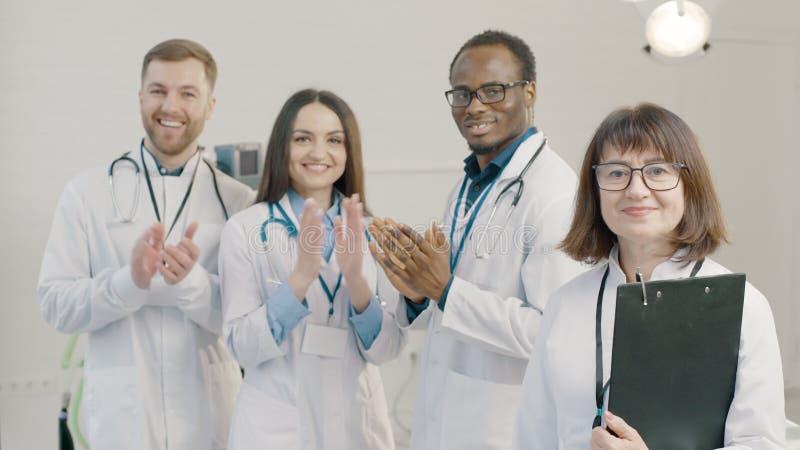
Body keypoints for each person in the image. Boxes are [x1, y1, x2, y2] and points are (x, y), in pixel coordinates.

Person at [512, 103, 786, 449]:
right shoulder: (565, 305)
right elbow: (533, 439)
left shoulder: (743, 305)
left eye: (657, 170)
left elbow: (760, 444)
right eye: (615, 173)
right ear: (594, 190)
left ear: (690, 184)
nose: (636, 190)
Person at [368, 30, 585, 449]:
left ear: (530, 93)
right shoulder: (469, 186)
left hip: (505, 430)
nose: (475, 107)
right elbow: (452, 305)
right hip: (444, 423)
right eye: (462, 94)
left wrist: (446, 291)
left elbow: (556, 335)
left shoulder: (555, 195)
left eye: (493, 90)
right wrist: (418, 294)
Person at [37, 39, 255, 449]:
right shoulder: (86, 193)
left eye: (188, 93)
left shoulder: (238, 202)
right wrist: (127, 282)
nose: (170, 106)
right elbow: (55, 304)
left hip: (207, 413)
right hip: (125, 417)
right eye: (158, 91)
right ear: (140, 98)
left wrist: (193, 286)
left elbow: (250, 320)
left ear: (210, 106)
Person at [219, 89, 404, 450]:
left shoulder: (372, 231)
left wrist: (357, 282)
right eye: (303, 138)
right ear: (281, 148)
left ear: (349, 152)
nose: (319, 153)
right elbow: (241, 347)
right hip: (277, 428)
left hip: (356, 424)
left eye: (334, 140)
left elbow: (387, 350)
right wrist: (300, 280)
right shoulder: (244, 229)